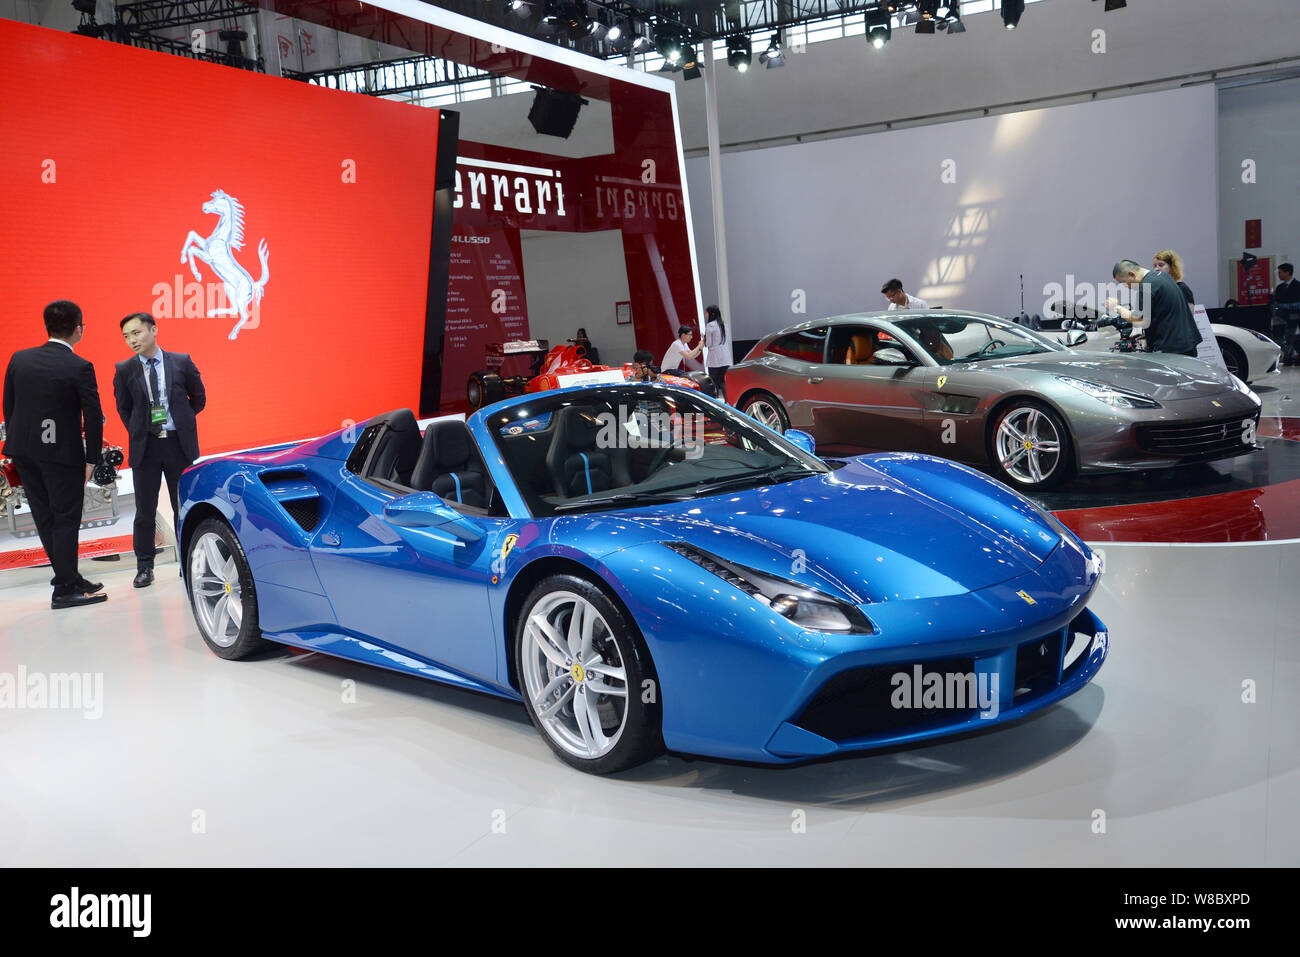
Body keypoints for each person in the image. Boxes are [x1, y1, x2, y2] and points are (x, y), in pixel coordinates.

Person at [1, 300, 107, 609]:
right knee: (65, 518)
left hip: (24, 450)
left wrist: (20, 440)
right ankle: (63, 589)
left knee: (45, 516)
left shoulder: (19, 359)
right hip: (61, 454)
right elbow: (93, 415)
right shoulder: (79, 366)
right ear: (78, 329)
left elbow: (9, 406)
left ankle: (69, 576)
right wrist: (92, 459)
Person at [113, 313, 206, 588]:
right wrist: (141, 430)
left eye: (136, 333)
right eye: (126, 336)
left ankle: (188, 561)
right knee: (145, 511)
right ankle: (145, 567)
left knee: (184, 507)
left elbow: (198, 397)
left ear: (153, 330)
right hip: (146, 448)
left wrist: (183, 420)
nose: (132, 340)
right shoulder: (124, 368)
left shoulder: (181, 361)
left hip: (178, 444)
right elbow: (124, 408)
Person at [1106, 259, 1202, 357]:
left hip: (1172, 349)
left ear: (1131, 274)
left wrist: (1117, 307)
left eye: (1124, 282)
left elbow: (1137, 317)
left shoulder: (1147, 286)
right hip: (1186, 342)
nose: (1126, 286)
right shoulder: (1162, 276)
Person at [1274, 263, 1300, 365]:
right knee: (1280, 339)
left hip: (1295, 318)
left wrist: (1284, 306)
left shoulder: (1298, 286)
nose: (1279, 275)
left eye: (1280, 272)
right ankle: (1288, 356)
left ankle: (1292, 356)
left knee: (1292, 338)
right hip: (1281, 318)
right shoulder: (1280, 288)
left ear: (1287, 272)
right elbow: (1276, 302)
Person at [703, 305, 730, 401]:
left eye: (706, 313)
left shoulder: (710, 325)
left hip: (714, 358)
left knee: (713, 382)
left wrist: (704, 338)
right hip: (726, 357)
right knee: (723, 381)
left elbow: (708, 343)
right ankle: (728, 401)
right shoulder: (724, 324)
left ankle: (714, 402)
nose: (705, 315)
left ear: (711, 313)